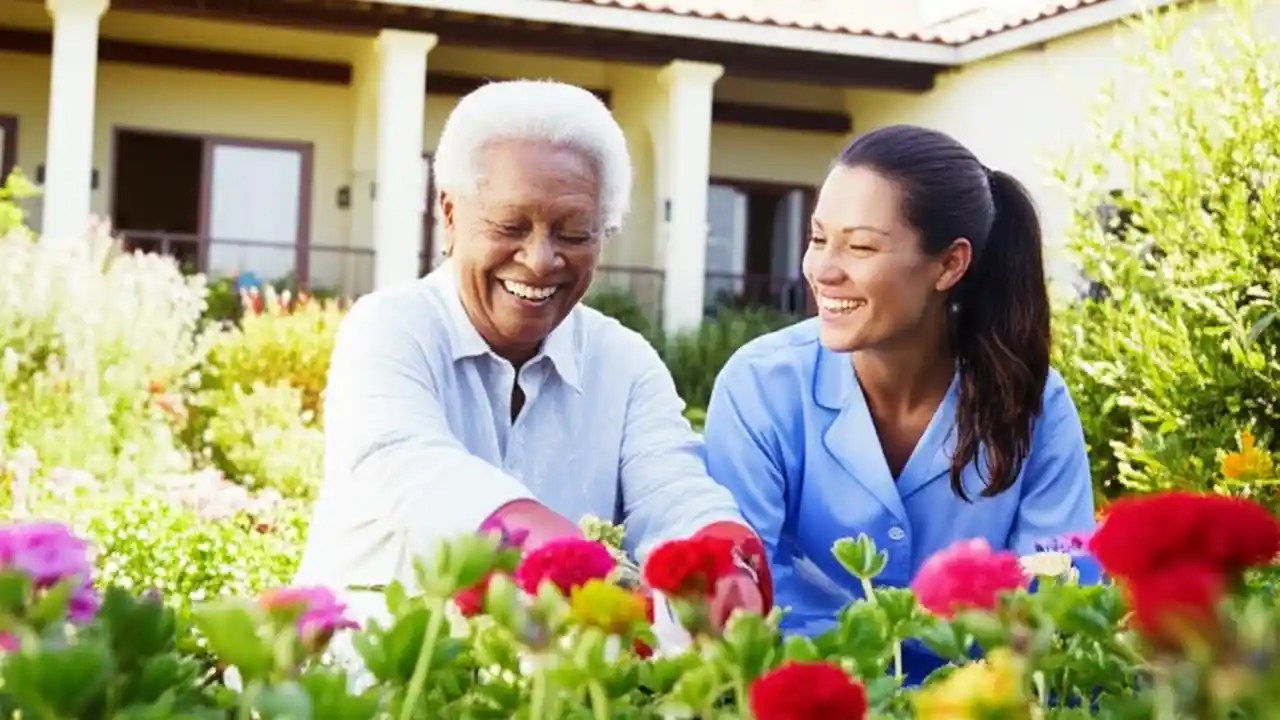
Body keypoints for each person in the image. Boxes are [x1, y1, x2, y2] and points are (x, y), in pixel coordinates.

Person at [294, 80, 770, 630]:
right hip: (372, 686)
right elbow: (413, 469)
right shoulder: (390, 328)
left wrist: (721, 559)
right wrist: (572, 560)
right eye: (509, 226)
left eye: (573, 233)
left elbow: (672, 489)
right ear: (449, 215)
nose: (541, 260)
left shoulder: (625, 362)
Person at [702, 124, 1096, 683]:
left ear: (949, 265)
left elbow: (1058, 587)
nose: (823, 270)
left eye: (860, 246)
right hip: (812, 691)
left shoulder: (1034, 400)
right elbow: (746, 578)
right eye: (818, 238)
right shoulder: (761, 385)